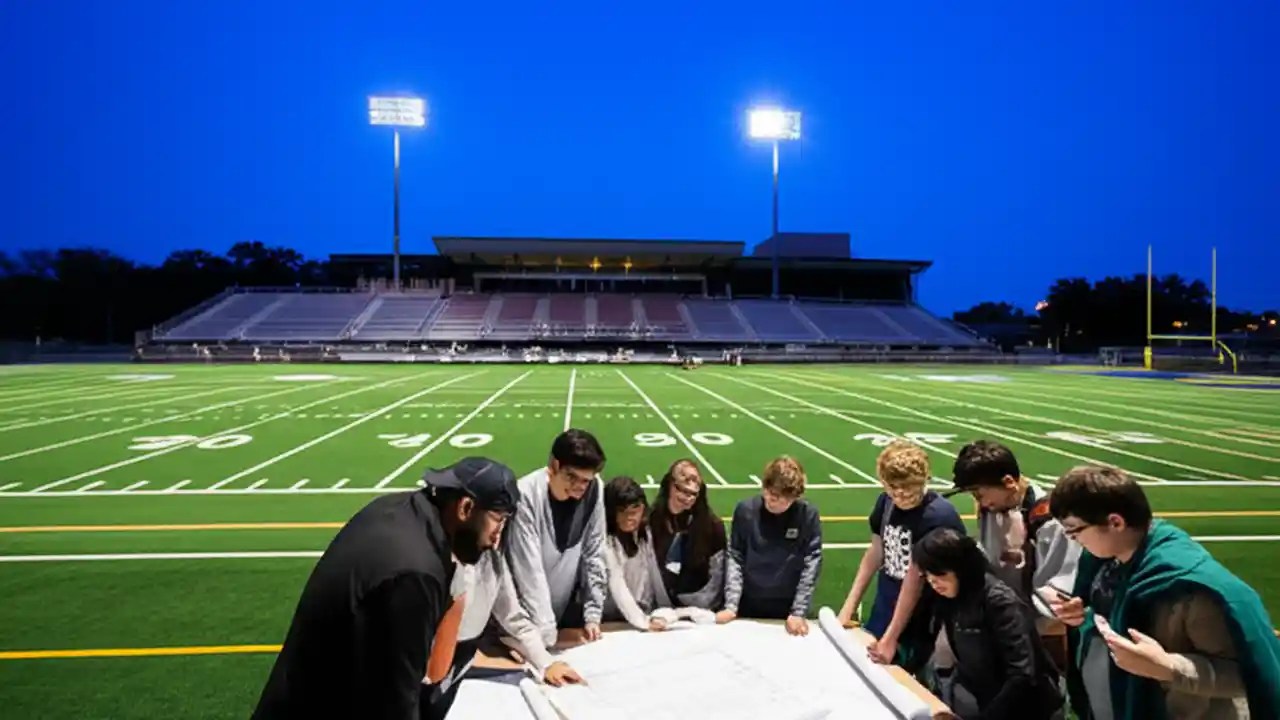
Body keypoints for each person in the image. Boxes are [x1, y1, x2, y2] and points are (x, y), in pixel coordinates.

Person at [252, 457, 539, 720]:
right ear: (465, 508)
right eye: (498, 520)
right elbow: (396, 699)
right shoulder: (416, 574)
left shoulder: (397, 509)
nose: (495, 540)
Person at [1047, 465, 1280, 720]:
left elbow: (1245, 675)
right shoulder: (1106, 560)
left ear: (1115, 522)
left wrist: (1168, 667)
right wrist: (1084, 615)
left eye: (1074, 530)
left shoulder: (1189, 593)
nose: (1073, 539)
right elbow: (1111, 618)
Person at [836, 439, 966, 668]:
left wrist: (891, 637)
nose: (902, 494)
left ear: (925, 479)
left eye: (909, 488)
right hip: (886, 605)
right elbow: (876, 552)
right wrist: (849, 607)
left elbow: (915, 579)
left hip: (923, 617)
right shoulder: (886, 503)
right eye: (894, 488)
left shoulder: (939, 516)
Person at [913, 528, 1064, 720]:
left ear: (961, 568)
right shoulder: (951, 597)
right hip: (986, 699)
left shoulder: (1000, 602)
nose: (933, 582)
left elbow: (1023, 674)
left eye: (940, 574)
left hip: (1028, 709)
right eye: (928, 576)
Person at [949, 440, 1080, 615]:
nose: (980, 502)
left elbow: (1056, 593)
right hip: (1001, 612)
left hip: (1033, 621)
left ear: (1009, 482)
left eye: (979, 494)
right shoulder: (991, 509)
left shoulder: (1048, 520)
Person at [506, 429, 609, 648]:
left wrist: (593, 615)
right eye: (571, 477)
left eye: (585, 480)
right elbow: (528, 571)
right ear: (554, 466)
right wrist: (545, 634)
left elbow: (595, 550)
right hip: (521, 621)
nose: (579, 487)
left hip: (559, 611)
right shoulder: (526, 495)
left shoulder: (594, 489)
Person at [719, 455, 823, 636]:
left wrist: (798, 611)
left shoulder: (807, 515)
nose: (773, 500)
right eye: (770, 493)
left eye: (782, 498)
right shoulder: (745, 511)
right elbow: (735, 556)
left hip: (786, 606)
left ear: (795, 497)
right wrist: (731, 605)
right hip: (747, 602)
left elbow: (812, 563)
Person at [601, 475, 715, 630]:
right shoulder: (605, 542)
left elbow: (652, 571)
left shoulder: (643, 533)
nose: (630, 517)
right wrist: (643, 622)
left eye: (635, 510)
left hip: (641, 608)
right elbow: (617, 584)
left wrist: (666, 608)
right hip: (610, 615)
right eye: (622, 511)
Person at [648, 458, 728, 610]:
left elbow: (717, 576)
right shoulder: (652, 519)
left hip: (698, 602)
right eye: (684, 491)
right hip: (658, 600)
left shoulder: (713, 526)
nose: (689, 498)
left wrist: (703, 605)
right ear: (670, 485)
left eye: (694, 494)